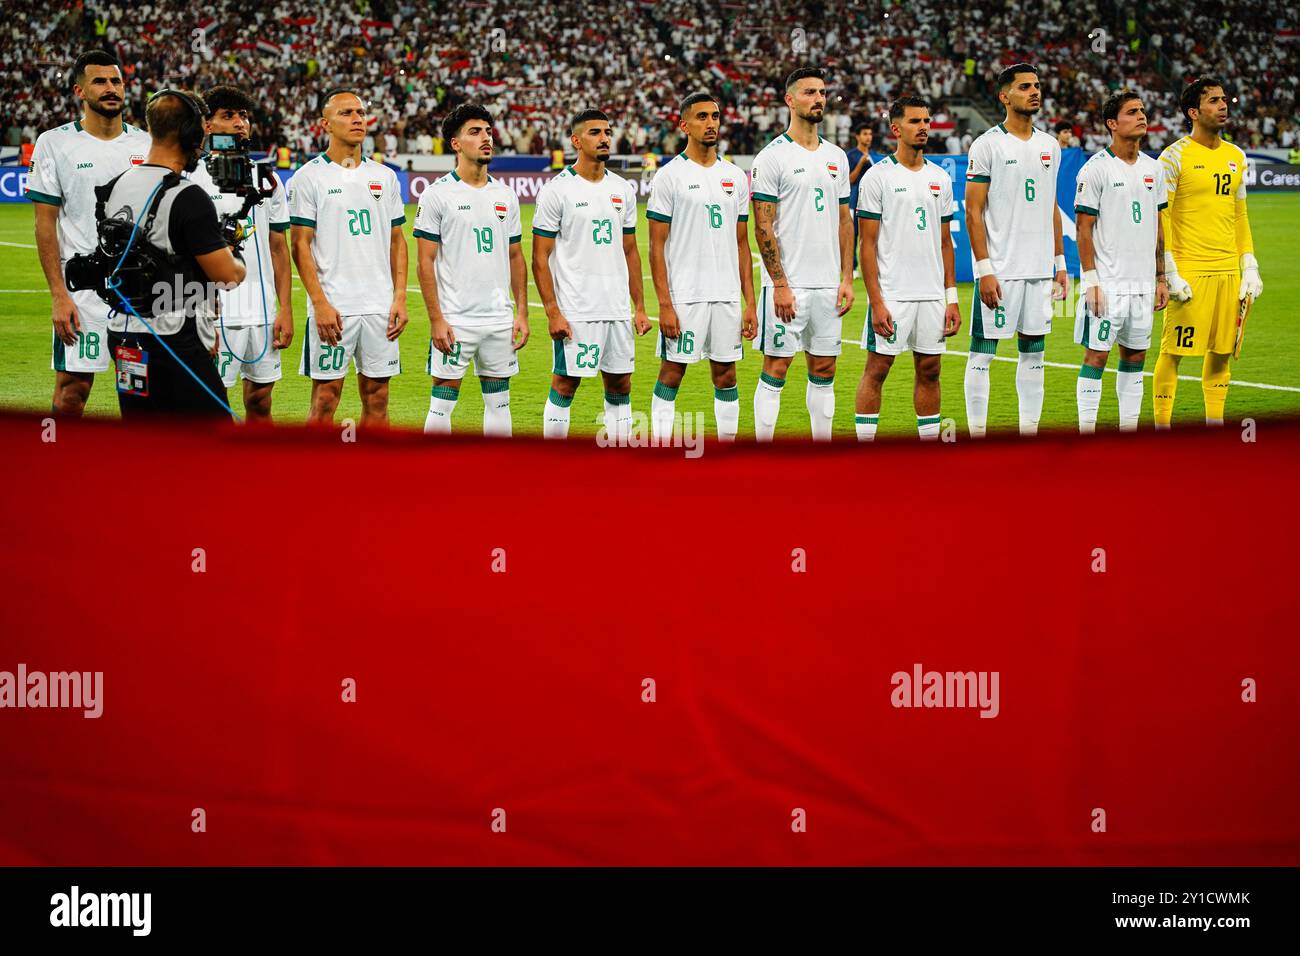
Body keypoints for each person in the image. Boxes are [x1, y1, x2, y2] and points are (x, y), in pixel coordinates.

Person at [99, 90, 246, 417]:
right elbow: (227, 277)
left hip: (124, 334)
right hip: (173, 338)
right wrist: (235, 254)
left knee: (146, 442)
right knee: (213, 444)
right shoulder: (188, 196)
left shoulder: (115, 186)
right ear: (191, 132)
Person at [27, 50, 150, 416]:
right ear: (80, 91)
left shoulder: (146, 144)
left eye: (116, 81)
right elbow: (44, 223)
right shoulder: (55, 142)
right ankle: (58, 465)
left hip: (136, 295)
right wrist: (58, 295)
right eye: (100, 81)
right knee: (72, 392)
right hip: (82, 293)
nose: (110, 89)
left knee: (136, 391)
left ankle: (140, 471)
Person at [289, 89, 408, 428]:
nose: (357, 118)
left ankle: (371, 476)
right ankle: (316, 477)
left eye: (360, 112)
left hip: (378, 307)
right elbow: (300, 245)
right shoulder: (308, 177)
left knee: (378, 396)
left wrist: (399, 296)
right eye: (346, 113)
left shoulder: (384, 177)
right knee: (326, 397)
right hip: (335, 306)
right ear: (325, 124)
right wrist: (319, 303)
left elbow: (397, 241)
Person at [962, 63, 1068, 438]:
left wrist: (1059, 263)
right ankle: (977, 434)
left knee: (1034, 354)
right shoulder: (987, 144)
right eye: (1025, 87)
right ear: (1005, 96)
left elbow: (1051, 205)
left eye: (1037, 85)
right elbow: (972, 210)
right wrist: (984, 269)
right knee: (983, 353)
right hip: (1001, 270)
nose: (1035, 92)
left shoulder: (1049, 146)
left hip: (1040, 270)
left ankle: (1029, 434)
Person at [645, 91, 757, 442]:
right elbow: (656, 246)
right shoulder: (669, 176)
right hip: (685, 296)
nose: (711, 123)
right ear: (684, 125)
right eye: (702, 117)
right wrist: (664, 305)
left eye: (715, 116)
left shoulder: (735, 176)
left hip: (725, 296)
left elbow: (742, 243)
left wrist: (750, 302)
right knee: (672, 373)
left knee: (726, 374)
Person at [750, 67, 855, 442]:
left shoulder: (837, 157)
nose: (819, 99)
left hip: (828, 285)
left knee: (825, 369)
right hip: (788, 286)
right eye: (809, 92)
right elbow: (763, 226)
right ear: (789, 100)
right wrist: (779, 283)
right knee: (776, 368)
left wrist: (846, 278)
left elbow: (845, 220)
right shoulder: (772, 157)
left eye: (822, 92)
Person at [534, 109, 651, 440]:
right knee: (566, 382)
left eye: (607, 132)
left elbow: (630, 250)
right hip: (577, 308)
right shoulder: (557, 190)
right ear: (576, 140)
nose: (604, 138)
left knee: (620, 382)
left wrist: (639, 305)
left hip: (615, 308)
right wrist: (553, 312)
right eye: (595, 133)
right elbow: (539, 257)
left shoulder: (622, 189)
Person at [1153, 76, 1263, 428]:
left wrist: (1250, 264)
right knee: (1172, 352)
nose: (1223, 105)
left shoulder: (1237, 156)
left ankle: (1214, 429)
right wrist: (1169, 272)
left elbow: (1239, 214)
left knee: (1221, 354)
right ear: (1193, 112)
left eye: (1224, 99)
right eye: (1214, 101)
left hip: (1228, 273)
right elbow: (1162, 217)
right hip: (1190, 273)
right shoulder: (1174, 157)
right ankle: (1161, 428)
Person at [413, 103, 529, 436]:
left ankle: (498, 476)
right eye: (475, 132)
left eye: (488, 131)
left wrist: (521, 312)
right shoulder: (437, 195)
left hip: (498, 318)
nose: (485, 138)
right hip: (456, 319)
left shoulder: (505, 195)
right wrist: (436, 319)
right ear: (456, 144)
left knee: (500, 402)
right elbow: (425, 261)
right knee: (442, 402)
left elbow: (516, 257)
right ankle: (435, 476)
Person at [854, 97, 961, 442]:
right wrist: (877, 302)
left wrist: (951, 298)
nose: (924, 127)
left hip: (931, 295)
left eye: (927, 120)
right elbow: (866, 245)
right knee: (878, 370)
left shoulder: (940, 178)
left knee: (930, 370)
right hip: (893, 294)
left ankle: (929, 447)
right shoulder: (878, 177)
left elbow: (946, 243)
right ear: (896, 129)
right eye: (915, 121)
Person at [188, 85, 293, 423]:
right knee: (210, 406)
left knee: (261, 401)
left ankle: (258, 471)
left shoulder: (268, 179)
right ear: (207, 125)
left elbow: (278, 248)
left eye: (244, 116)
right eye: (228, 116)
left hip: (262, 311)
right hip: (215, 314)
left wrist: (285, 308)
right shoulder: (191, 178)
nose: (239, 123)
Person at [1073, 91, 1168, 433]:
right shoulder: (1095, 169)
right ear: (1113, 124)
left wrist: (1161, 277)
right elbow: (1084, 231)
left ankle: (1129, 434)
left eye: (1143, 110)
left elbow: (1158, 228)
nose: (1141, 116)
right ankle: (1087, 432)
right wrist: (1091, 282)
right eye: (1132, 112)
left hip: (1143, 283)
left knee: (1135, 357)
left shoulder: (1153, 170)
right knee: (1096, 356)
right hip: (1108, 285)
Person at [845, 120, 874, 276]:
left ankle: (871, 266)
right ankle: (853, 267)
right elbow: (850, 179)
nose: (868, 137)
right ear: (857, 136)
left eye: (870, 134)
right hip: (854, 200)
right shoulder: (851, 156)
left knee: (871, 235)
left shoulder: (874, 156)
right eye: (865, 134)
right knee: (853, 234)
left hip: (872, 202)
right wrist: (861, 163)